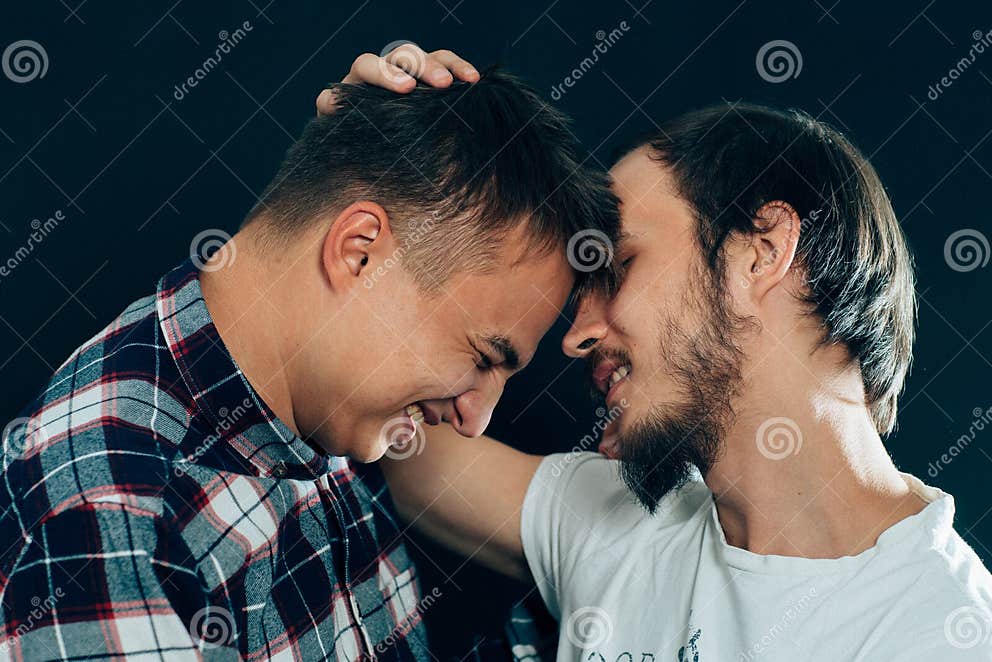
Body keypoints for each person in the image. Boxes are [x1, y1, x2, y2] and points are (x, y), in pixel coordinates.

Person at [340, 46, 992, 660]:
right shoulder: (623, 524)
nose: (576, 336)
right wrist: (383, 161)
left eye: (621, 265)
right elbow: (392, 434)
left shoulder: (940, 632)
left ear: (761, 250)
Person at [0, 66, 621, 660]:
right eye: (483, 356)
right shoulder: (105, 526)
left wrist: (367, 135)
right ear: (360, 255)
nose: (474, 419)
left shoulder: (314, 397)